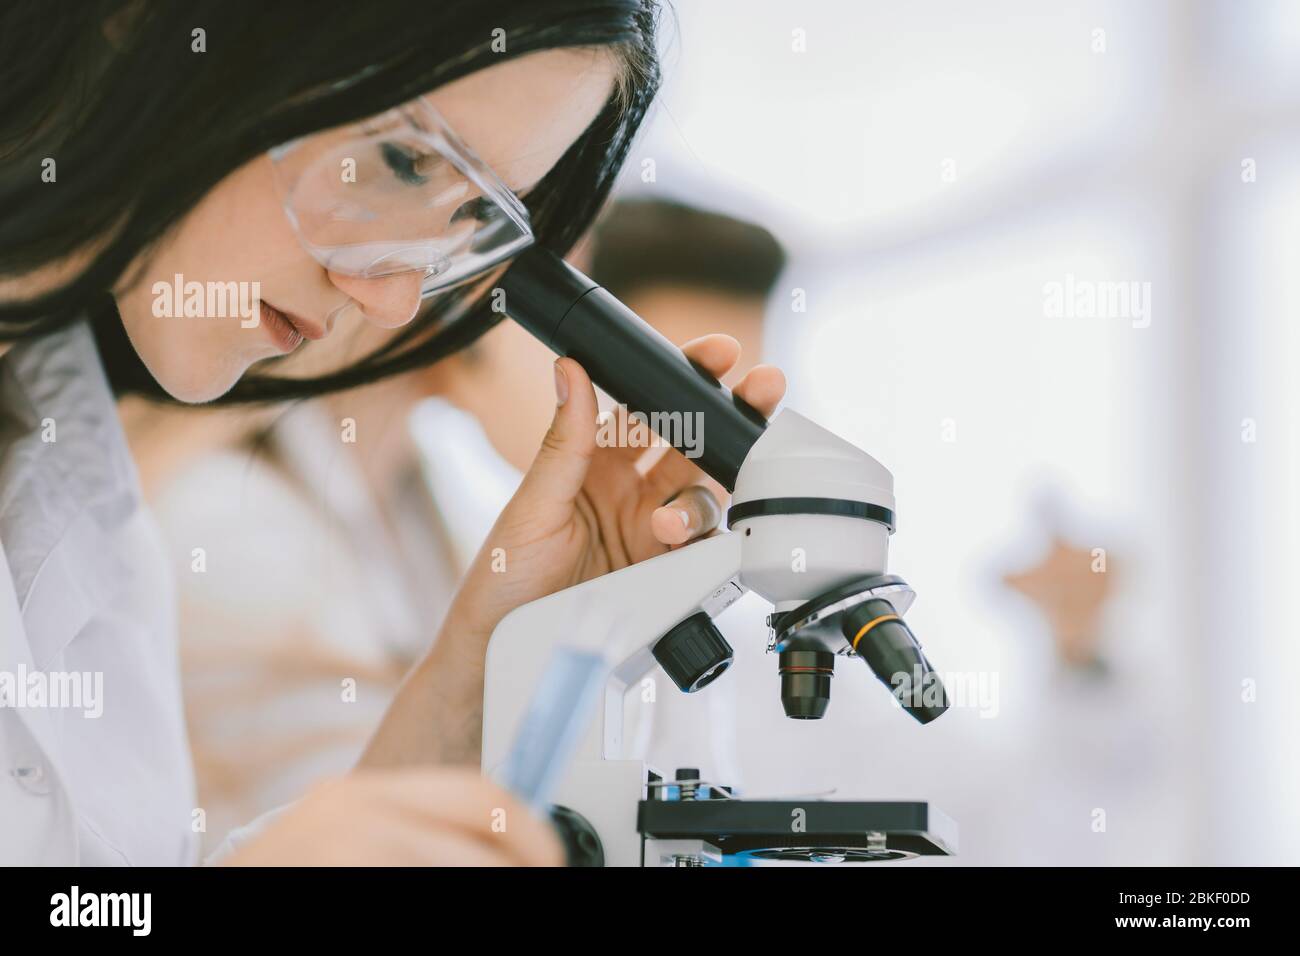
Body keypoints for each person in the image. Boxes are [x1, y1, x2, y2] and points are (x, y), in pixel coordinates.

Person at [0, 2, 786, 865]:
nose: (393, 299)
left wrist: (489, 661)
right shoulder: (211, 517)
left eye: (467, 223)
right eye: (405, 161)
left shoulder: (79, 494)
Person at [121, 199, 785, 851]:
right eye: (648, 378)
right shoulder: (230, 524)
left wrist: (633, 613)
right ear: (483, 297)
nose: (682, 441)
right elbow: (394, 841)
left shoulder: (430, 512)